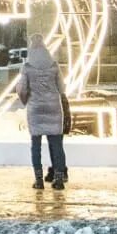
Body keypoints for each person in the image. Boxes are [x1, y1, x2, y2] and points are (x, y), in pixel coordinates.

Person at [16, 34, 68, 190]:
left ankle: (38, 180)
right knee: (56, 144)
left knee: (36, 145)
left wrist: (26, 99)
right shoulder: (54, 65)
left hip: (36, 108)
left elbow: (22, 88)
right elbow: (61, 87)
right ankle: (58, 179)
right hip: (53, 108)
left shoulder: (27, 67)